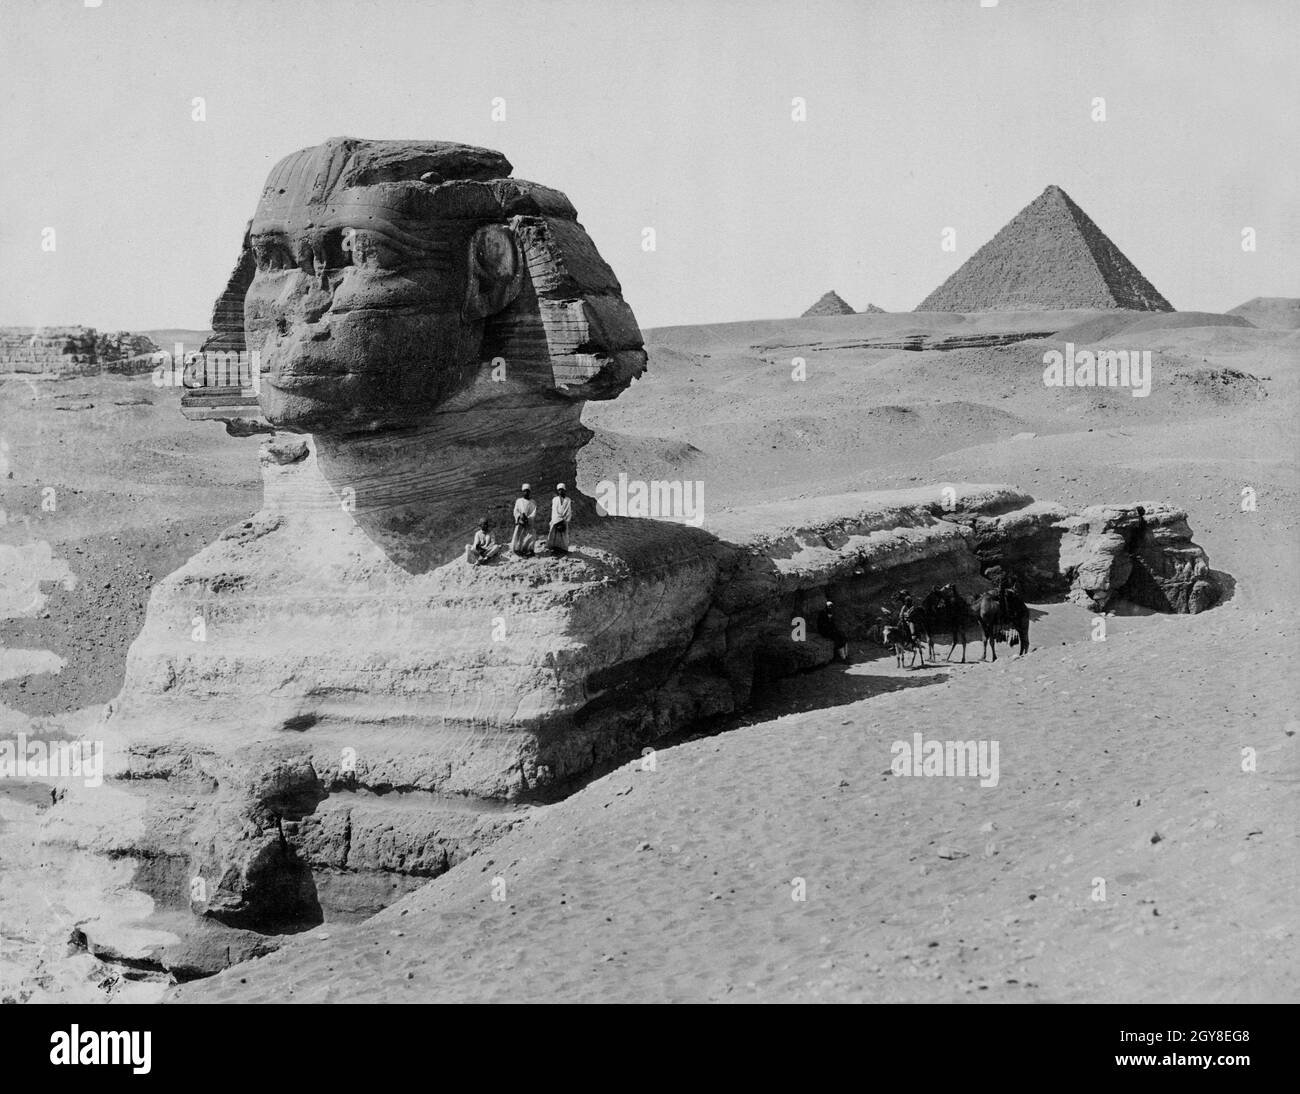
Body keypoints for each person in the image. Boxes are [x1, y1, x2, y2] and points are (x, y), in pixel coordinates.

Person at [818, 598, 849, 664]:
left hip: (831, 631)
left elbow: (832, 624)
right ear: (826, 606)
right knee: (838, 640)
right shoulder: (822, 614)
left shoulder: (830, 613)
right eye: (829, 606)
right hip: (825, 632)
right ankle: (843, 658)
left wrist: (835, 630)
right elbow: (822, 626)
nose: (830, 607)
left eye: (831, 606)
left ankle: (846, 656)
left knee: (844, 637)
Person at [511, 484, 537, 556]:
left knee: (530, 536)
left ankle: (529, 549)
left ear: (530, 492)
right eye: (525, 491)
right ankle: (517, 549)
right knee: (519, 536)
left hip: (528, 523)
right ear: (522, 492)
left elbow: (533, 513)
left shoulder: (533, 502)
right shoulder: (519, 501)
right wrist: (520, 517)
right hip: (521, 522)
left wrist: (528, 519)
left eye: (528, 491)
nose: (526, 492)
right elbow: (515, 511)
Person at [547, 482, 572, 554]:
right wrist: (558, 521)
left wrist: (564, 521)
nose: (561, 491)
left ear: (565, 490)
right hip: (555, 521)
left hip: (564, 521)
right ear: (558, 491)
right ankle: (554, 549)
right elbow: (554, 510)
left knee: (563, 536)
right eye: (559, 490)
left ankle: (563, 549)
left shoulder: (568, 500)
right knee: (554, 535)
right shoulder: (555, 499)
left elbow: (568, 511)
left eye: (562, 490)